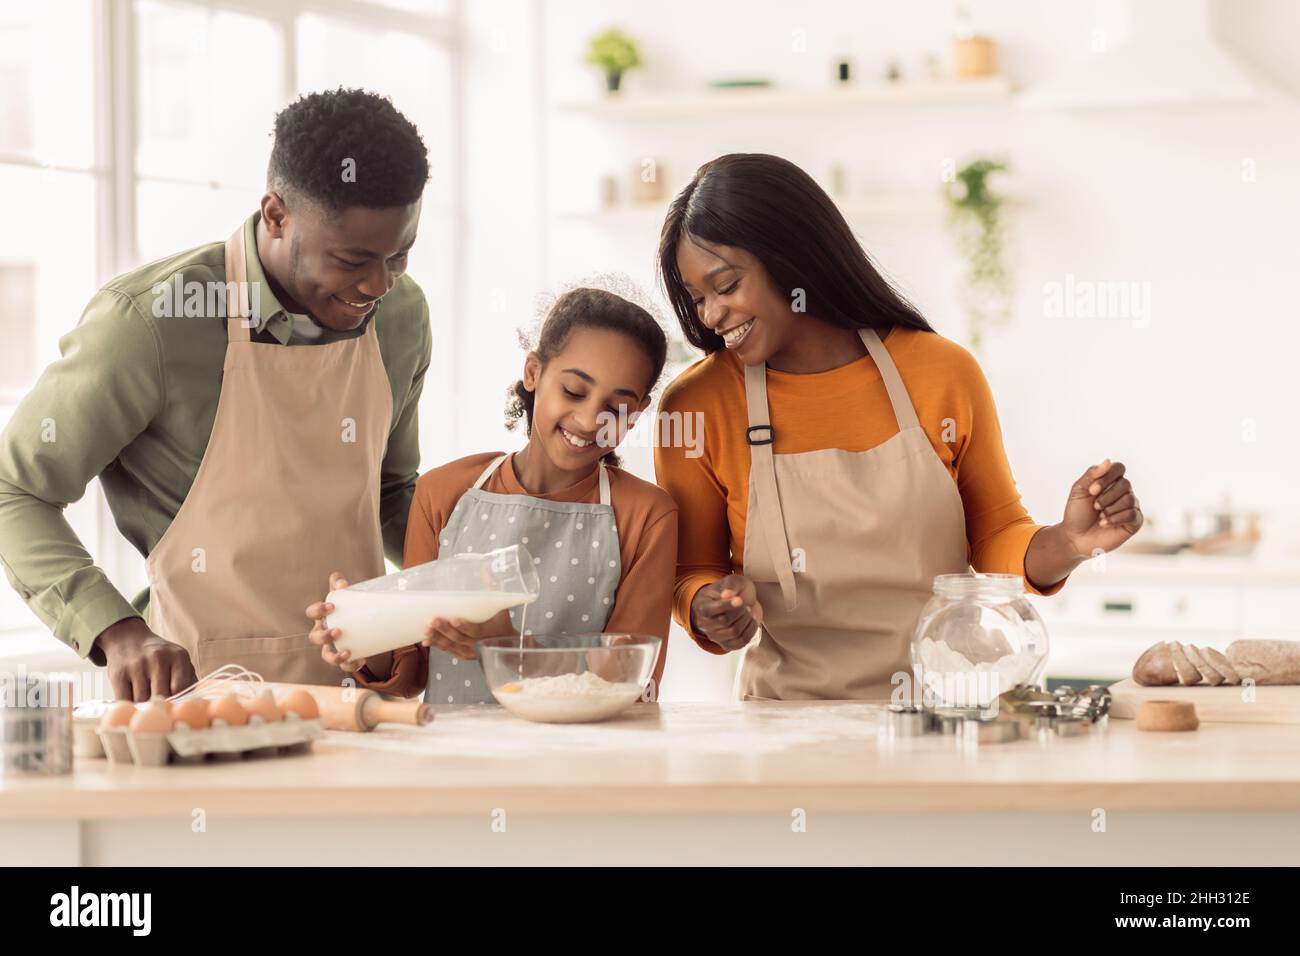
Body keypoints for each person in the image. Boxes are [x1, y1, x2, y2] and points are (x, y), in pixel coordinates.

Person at [654, 153, 1143, 701]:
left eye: (726, 286)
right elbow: (690, 571)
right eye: (697, 298)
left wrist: (1071, 542)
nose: (711, 316)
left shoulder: (940, 372)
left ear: (790, 255)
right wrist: (708, 607)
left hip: (949, 710)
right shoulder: (696, 405)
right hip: (788, 724)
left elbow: (996, 537)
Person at [0, 88, 433, 700]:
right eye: (352, 259)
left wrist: (465, 575)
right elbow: (15, 488)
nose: (378, 284)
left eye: (401, 255)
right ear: (276, 214)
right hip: (199, 707)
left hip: (365, 703)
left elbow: (390, 494)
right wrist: (117, 631)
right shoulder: (152, 322)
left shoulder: (402, 317)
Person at [308, 287, 678, 701]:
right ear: (534, 372)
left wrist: (512, 650)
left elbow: (631, 678)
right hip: (455, 757)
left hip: (579, 763)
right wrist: (358, 639)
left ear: (639, 413)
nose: (592, 419)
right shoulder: (443, 492)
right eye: (574, 391)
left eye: (619, 407)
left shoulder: (647, 515)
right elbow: (411, 671)